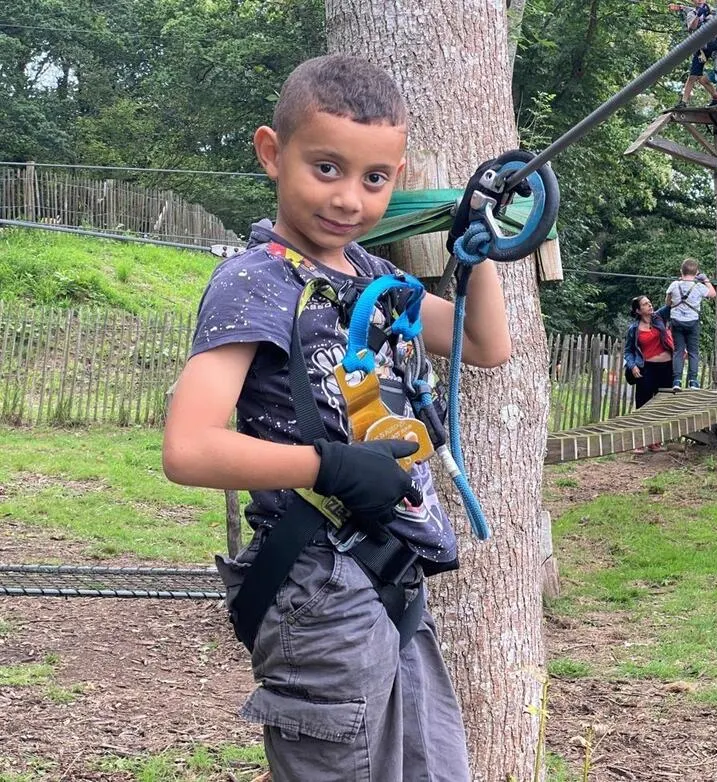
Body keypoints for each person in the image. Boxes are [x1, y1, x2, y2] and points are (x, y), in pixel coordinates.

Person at [162, 54, 512, 781]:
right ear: (271, 152)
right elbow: (188, 449)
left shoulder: (373, 280)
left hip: (394, 581)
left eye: (374, 178)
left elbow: (485, 344)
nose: (349, 199)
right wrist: (325, 466)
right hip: (318, 588)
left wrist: (482, 244)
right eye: (327, 169)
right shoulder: (254, 283)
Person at [624, 295, 675, 452]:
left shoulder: (659, 318)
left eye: (650, 303)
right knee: (643, 405)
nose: (650, 305)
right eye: (645, 304)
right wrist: (632, 366)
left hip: (666, 368)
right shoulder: (634, 329)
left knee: (662, 405)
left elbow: (670, 305)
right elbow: (629, 351)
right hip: (647, 368)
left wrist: (677, 286)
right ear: (639, 310)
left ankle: (655, 442)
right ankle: (639, 442)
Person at [665, 258, 716, 390]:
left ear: (681, 271)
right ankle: (693, 381)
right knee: (693, 352)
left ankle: (676, 381)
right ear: (697, 272)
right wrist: (706, 280)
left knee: (678, 351)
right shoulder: (699, 286)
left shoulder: (674, 285)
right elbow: (713, 294)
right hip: (692, 323)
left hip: (676, 322)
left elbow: (668, 303)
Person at [669, 0, 717, 105]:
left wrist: (709, 13)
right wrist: (698, 15)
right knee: (694, 75)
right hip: (700, 48)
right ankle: (684, 101)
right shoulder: (692, 13)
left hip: (714, 46)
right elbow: (692, 27)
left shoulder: (711, 10)